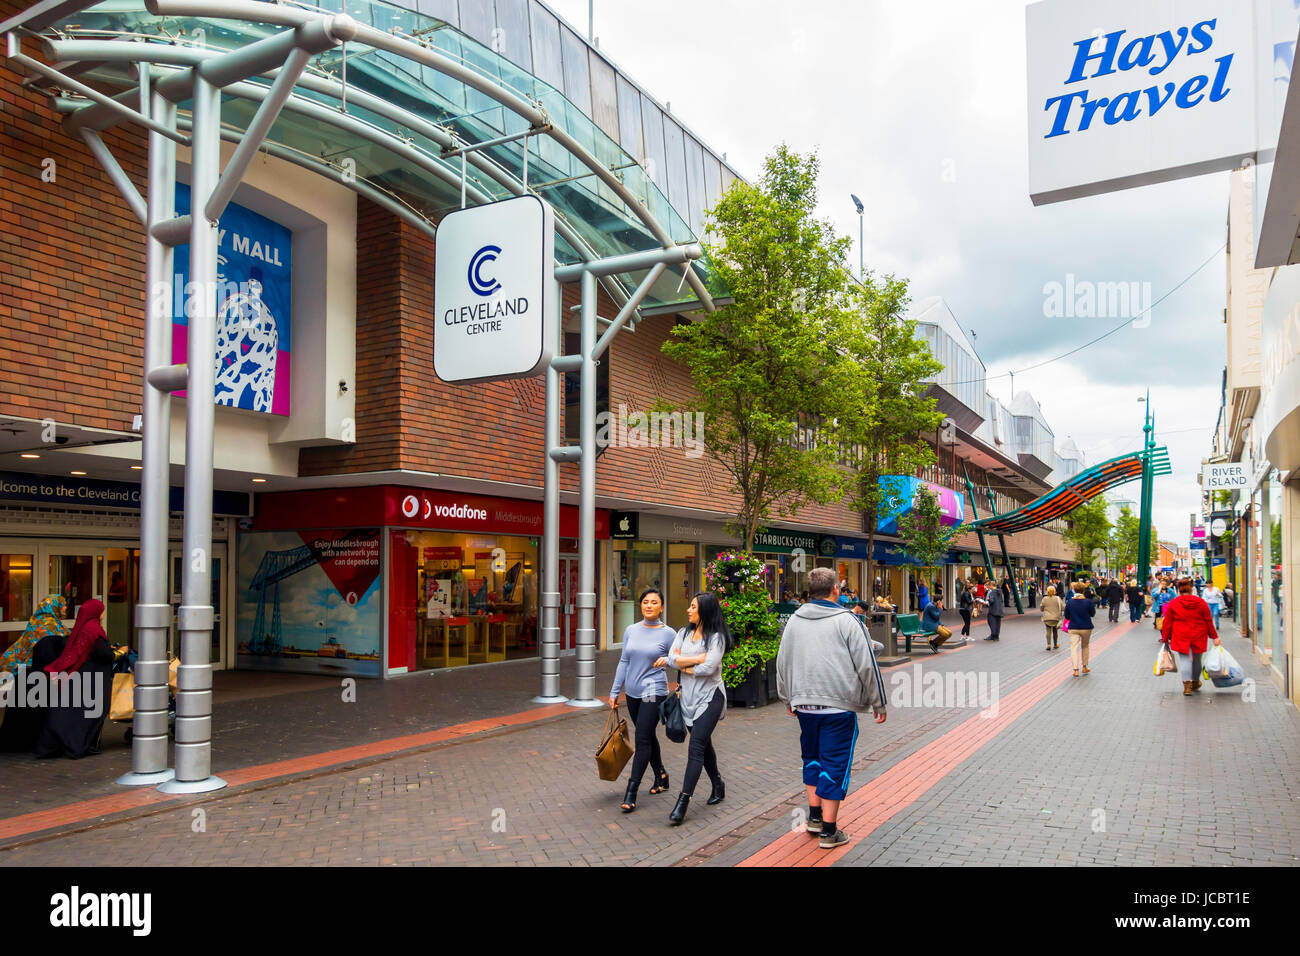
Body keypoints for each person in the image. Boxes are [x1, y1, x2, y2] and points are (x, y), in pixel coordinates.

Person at [776, 566, 886, 850]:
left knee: (811, 758)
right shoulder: (849, 621)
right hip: (838, 707)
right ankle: (829, 830)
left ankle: (813, 818)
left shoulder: (794, 620)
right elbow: (866, 664)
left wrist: (787, 697)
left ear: (810, 592)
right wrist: (878, 701)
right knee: (835, 764)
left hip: (805, 708)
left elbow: (782, 661)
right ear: (836, 589)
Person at [657, 591, 731, 825]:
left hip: (711, 697)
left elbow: (708, 669)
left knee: (696, 746)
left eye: (693, 607)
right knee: (704, 744)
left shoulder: (716, 638)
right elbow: (670, 659)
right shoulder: (683, 633)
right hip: (687, 697)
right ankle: (718, 783)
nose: (688, 610)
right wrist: (698, 658)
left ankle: (683, 802)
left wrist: (688, 663)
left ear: (705, 611)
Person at [608, 589, 676, 813]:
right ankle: (661, 775)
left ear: (661, 607)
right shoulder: (631, 630)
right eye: (645, 602)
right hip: (633, 693)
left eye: (654, 602)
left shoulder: (668, 633)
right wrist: (615, 691)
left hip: (652, 691)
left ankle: (631, 791)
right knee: (646, 735)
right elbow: (624, 661)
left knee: (642, 740)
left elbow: (678, 659)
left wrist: (667, 659)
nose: (649, 605)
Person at [33, 598, 113, 759]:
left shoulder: (84, 627)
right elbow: (103, 653)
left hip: (81, 677)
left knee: (69, 713)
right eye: (102, 610)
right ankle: (76, 746)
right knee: (85, 714)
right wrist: (117, 653)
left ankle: (52, 746)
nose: (103, 613)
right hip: (90, 678)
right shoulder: (93, 630)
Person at [0, 596, 70, 753]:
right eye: (63, 605)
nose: (66, 608)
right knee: (34, 712)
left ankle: (14, 743)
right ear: (55, 606)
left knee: (19, 712)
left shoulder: (35, 623)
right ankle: (31, 742)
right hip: (38, 677)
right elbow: (51, 653)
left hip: (24, 674)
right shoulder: (51, 627)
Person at [1160, 578, 1220, 696]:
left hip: (1181, 634)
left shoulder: (1174, 603)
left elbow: (1167, 622)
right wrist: (1214, 637)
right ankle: (1195, 682)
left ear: (1178, 591)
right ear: (1191, 590)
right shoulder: (1201, 602)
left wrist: (1165, 638)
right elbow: (1208, 621)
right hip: (1199, 634)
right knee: (1197, 660)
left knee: (1185, 660)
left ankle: (1187, 686)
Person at [1064, 582, 1096, 677]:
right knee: (1085, 646)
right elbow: (1092, 614)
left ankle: (1075, 669)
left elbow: (1066, 616)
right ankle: (1085, 667)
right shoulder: (1088, 602)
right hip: (1086, 627)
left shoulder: (1070, 602)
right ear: (1083, 590)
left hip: (1073, 627)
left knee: (1074, 648)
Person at [1040, 585, 1064, 651]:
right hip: (1056, 618)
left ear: (1047, 591)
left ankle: (1048, 644)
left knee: (1048, 631)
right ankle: (1055, 644)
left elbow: (1041, 608)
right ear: (1054, 591)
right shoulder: (1058, 598)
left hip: (1047, 618)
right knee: (1055, 631)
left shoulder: (1044, 599)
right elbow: (1063, 608)